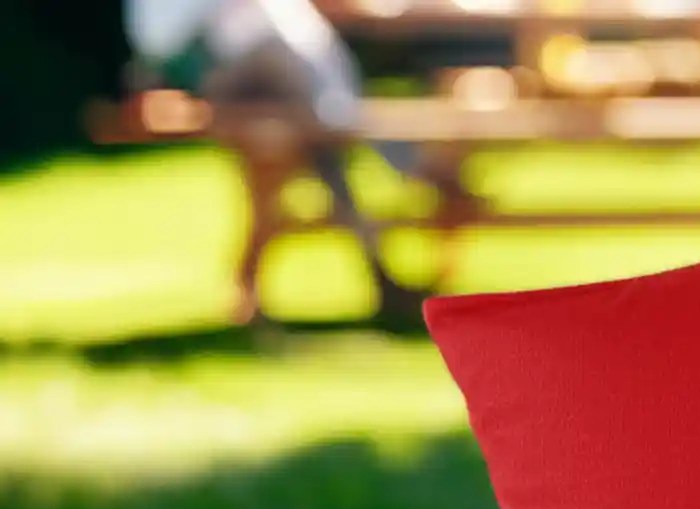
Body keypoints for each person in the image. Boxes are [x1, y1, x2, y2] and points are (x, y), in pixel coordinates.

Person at [124, 0, 471, 323]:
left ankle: (379, 267)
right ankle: (411, 166)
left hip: (275, 81)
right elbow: (165, 41)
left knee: (325, 154)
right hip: (247, 71)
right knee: (326, 114)